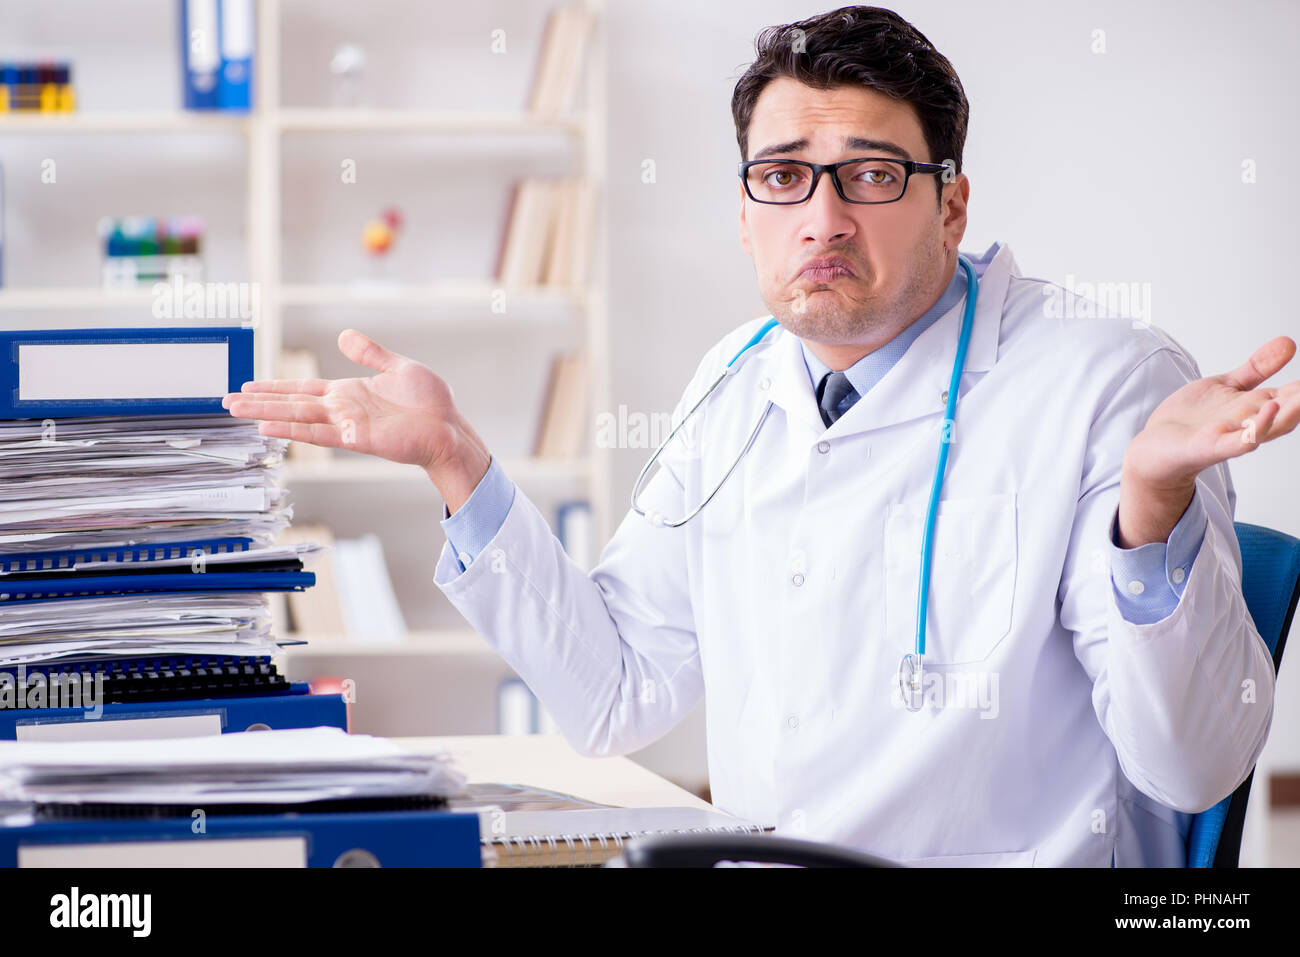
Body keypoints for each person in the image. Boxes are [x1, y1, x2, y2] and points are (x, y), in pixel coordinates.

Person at [223, 6, 1299, 866]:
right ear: (744, 213)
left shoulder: (1106, 380)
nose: (822, 219)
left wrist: (1150, 510)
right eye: (782, 176)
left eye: (872, 175)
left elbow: (1191, 768)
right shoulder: (736, 377)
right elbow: (613, 695)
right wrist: (458, 464)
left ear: (951, 205)